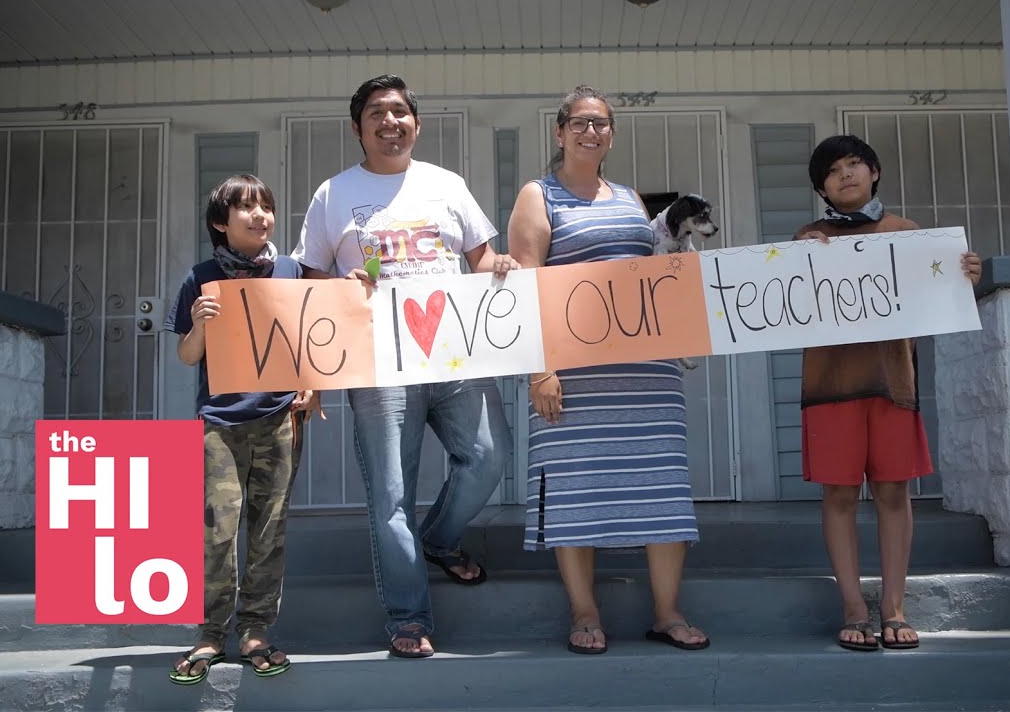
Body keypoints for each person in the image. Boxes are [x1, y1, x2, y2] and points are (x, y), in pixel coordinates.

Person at [290, 74, 517, 659]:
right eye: (375, 114)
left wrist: (502, 264)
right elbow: (311, 282)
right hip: (377, 367)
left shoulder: (446, 184)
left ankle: (439, 539)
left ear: (416, 123)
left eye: (399, 112)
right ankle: (408, 617)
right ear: (358, 129)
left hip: (457, 352)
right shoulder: (332, 194)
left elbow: (481, 255)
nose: (389, 122)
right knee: (390, 495)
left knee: (490, 456)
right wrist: (340, 288)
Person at [508, 84, 709, 656]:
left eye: (601, 124)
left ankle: (667, 613)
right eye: (579, 123)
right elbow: (526, 285)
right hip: (573, 378)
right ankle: (584, 611)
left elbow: (653, 277)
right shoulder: (537, 196)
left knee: (663, 487)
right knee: (573, 490)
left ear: (611, 134)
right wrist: (539, 371)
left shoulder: (631, 199)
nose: (590, 132)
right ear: (560, 131)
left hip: (648, 376)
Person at [792, 135, 982, 652]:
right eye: (833, 170)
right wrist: (798, 262)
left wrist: (964, 277)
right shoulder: (809, 237)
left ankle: (895, 607)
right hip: (830, 387)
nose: (846, 174)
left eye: (855, 164)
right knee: (838, 494)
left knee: (894, 493)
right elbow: (790, 304)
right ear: (822, 187)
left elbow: (936, 299)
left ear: (874, 171)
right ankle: (854, 606)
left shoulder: (909, 234)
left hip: (893, 382)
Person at [164, 174, 321, 684]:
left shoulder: (292, 271)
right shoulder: (202, 277)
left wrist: (312, 386)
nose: (260, 215)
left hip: (279, 419)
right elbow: (188, 356)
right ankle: (211, 633)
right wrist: (201, 323)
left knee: (270, 530)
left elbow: (316, 338)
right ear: (220, 222)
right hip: (219, 424)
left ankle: (255, 631)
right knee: (218, 532)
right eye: (246, 208)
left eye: (266, 206)